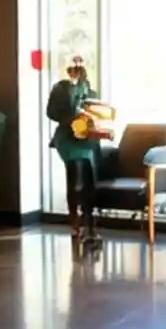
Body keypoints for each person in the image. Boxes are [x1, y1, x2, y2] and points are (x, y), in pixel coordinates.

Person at [46, 55, 100, 240]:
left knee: (89, 178)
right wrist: (72, 88)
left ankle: (89, 220)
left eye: (81, 66)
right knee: (75, 176)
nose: (78, 69)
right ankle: (75, 221)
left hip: (86, 139)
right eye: (74, 66)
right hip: (68, 139)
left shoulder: (90, 90)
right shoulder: (61, 88)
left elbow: (95, 110)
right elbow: (53, 112)